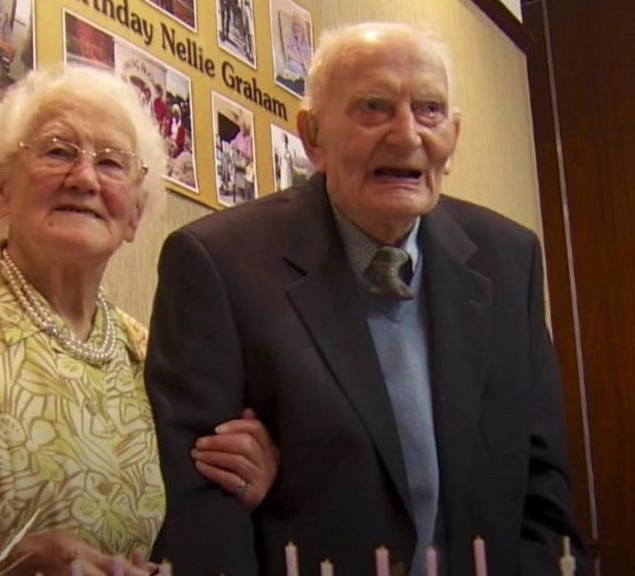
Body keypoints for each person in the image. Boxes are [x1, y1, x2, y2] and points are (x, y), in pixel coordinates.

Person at [146, 22, 587, 575]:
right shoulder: (216, 263)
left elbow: (542, 487)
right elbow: (206, 513)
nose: (406, 136)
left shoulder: (509, 258)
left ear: (453, 137)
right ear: (312, 137)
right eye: (373, 108)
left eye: (429, 110)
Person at [0, 66, 278, 576]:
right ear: (2, 191)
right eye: (57, 151)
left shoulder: (148, 355)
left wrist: (247, 487)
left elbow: (182, 522)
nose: (86, 178)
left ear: (134, 216)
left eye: (113, 163)